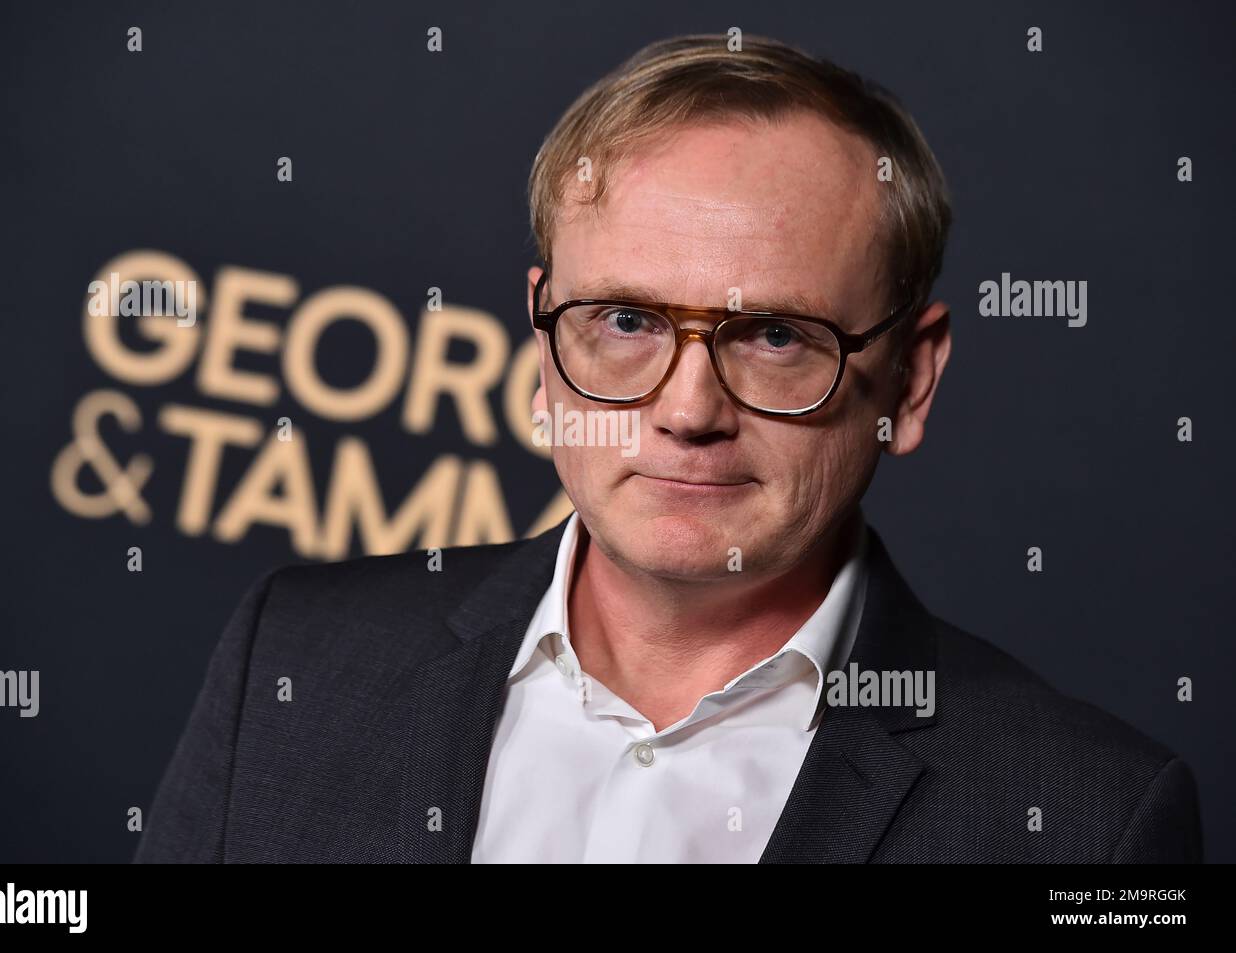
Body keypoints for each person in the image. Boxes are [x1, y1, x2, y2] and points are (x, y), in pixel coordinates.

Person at [135, 33, 1201, 863]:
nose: (687, 408)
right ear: (543, 340)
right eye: (627, 323)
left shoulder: (1083, 816)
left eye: (777, 336)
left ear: (910, 380)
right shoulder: (292, 662)